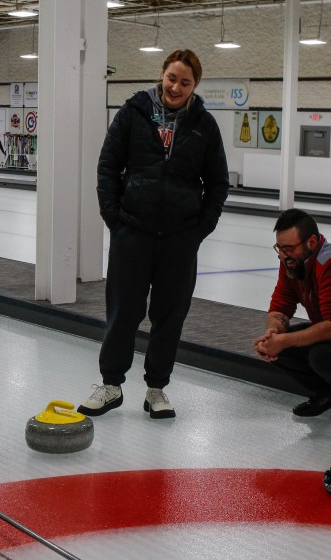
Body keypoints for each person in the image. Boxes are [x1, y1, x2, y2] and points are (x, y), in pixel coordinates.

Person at [78, 48, 230, 420]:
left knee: (170, 314)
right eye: (172, 78)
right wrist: (115, 218)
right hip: (133, 232)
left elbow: (218, 182)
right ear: (162, 74)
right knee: (123, 311)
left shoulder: (203, 125)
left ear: (195, 85)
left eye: (185, 82)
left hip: (179, 238)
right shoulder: (133, 113)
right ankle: (111, 384)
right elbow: (108, 166)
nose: (176, 87)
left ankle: (157, 388)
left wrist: (198, 230)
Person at [252, 209, 331, 431]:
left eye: (288, 249)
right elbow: (281, 305)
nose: (283, 255)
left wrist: (285, 340)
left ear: (311, 242)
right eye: (279, 249)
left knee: (322, 355)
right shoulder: (292, 264)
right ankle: (327, 392)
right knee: (280, 346)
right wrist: (273, 333)